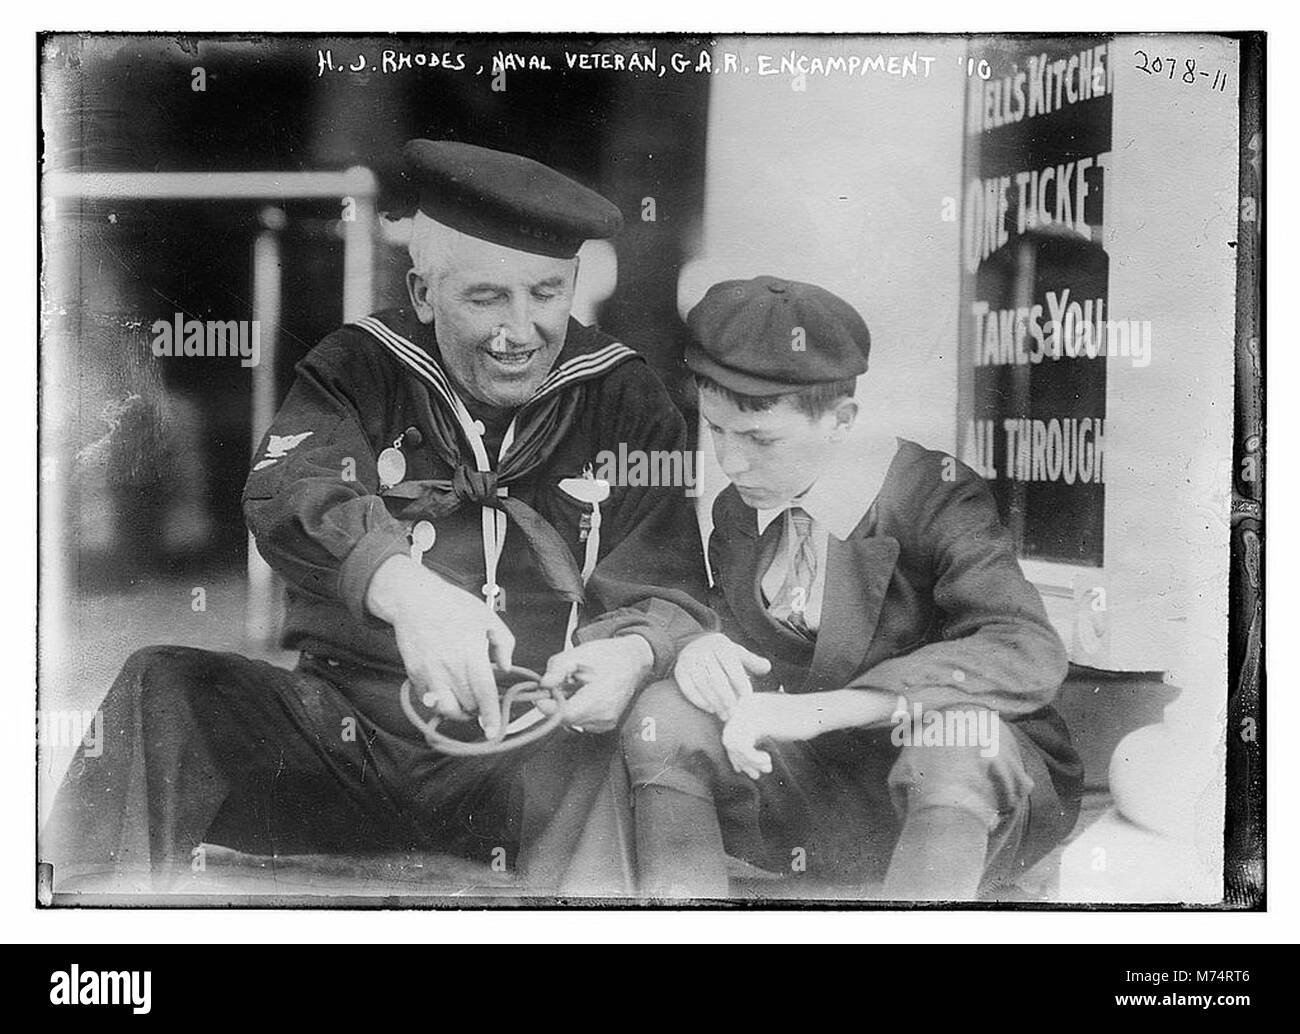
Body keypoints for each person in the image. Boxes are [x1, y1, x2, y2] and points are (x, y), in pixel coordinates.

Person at [43, 140, 712, 895]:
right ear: (423, 292)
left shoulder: (624, 398)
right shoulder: (359, 366)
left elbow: (668, 588)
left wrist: (628, 656)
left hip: (532, 757)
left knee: (647, 721)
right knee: (163, 688)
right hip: (348, 740)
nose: (520, 330)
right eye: (486, 297)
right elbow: (288, 487)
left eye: (547, 293)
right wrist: (408, 591)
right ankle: (77, 928)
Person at [621, 276, 1083, 900]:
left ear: (841, 422)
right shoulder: (741, 510)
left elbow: (1023, 647)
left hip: (958, 795)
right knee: (664, 712)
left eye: (760, 439)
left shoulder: (935, 495)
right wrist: (702, 648)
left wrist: (819, 711)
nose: (730, 463)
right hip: (831, 790)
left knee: (959, 737)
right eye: (716, 430)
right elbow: (732, 630)